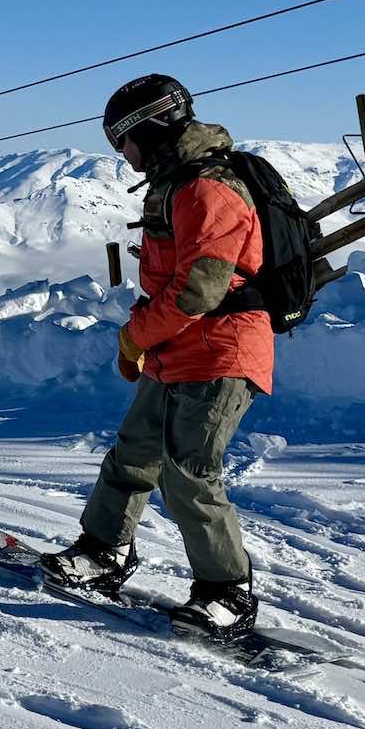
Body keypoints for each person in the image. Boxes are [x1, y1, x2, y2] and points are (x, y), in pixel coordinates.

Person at [43, 76, 271, 635]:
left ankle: (226, 591)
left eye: (122, 141)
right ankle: (104, 550)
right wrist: (145, 337)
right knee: (133, 455)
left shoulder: (207, 189)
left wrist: (137, 337)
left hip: (221, 350)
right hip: (178, 348)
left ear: (147, 129)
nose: (123, 154)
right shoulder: (175, 185)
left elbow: (199, 289)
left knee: (188, 471)